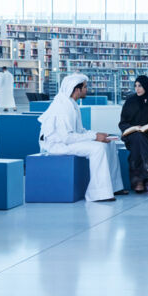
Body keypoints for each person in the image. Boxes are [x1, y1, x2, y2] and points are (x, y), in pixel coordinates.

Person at [38, 73, 124, 202]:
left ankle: (115, 187)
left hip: (68, 141)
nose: (86, 89)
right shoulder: (62, 107)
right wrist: (94, 137)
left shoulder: (72, 104)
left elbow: (80, 131)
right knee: (97, 149)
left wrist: (98, 134)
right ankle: (98, 193)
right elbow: (66, 138)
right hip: (58, 145)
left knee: (109, 144)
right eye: (85, 87)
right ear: (76, 89)